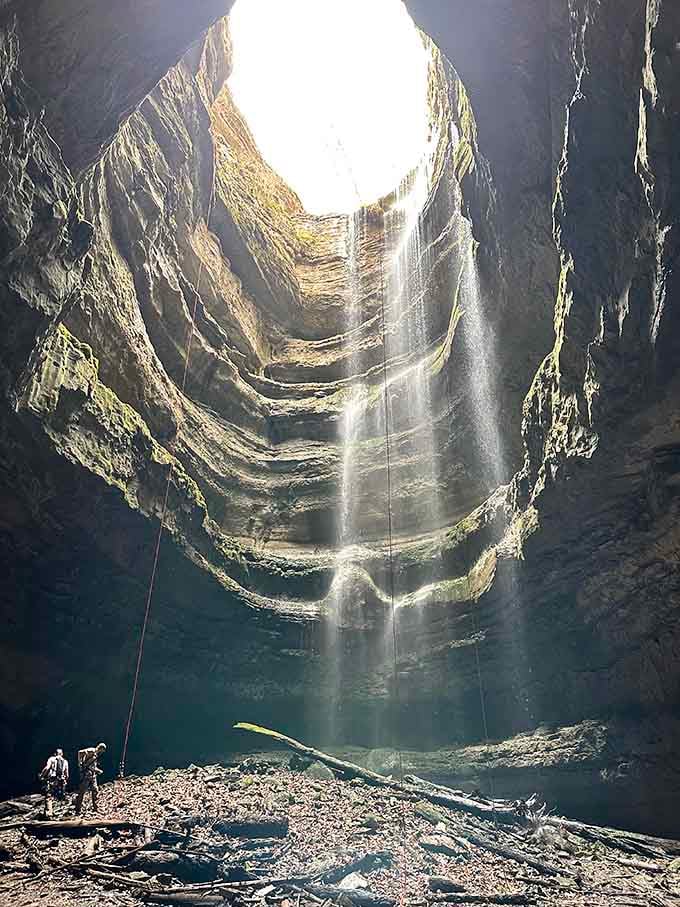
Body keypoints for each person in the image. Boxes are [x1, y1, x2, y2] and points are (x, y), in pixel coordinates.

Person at [74, 742, 106, 816]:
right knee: (82, 791)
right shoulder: (91, 750)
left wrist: (97, 770)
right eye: (102, 751)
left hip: (92, 775)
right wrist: (80, 764)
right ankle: (78, 809)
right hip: (86, 776)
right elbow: (80, 752)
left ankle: (96, 808)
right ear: (101, 748)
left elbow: (92, 766)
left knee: (95, 790)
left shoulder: (96, 755)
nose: (102, 752)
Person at [39, 748, 69, 818]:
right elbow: (67, 774)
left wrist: (42, 775)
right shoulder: (65, 761)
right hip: (61, 781)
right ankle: (60, 813)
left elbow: (47, 768)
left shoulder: (52, 759)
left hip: (52, 780)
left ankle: (49, 813)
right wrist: (65, 781)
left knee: (49, 796)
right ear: (62, 754)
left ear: (55, 753)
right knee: (59, 797)